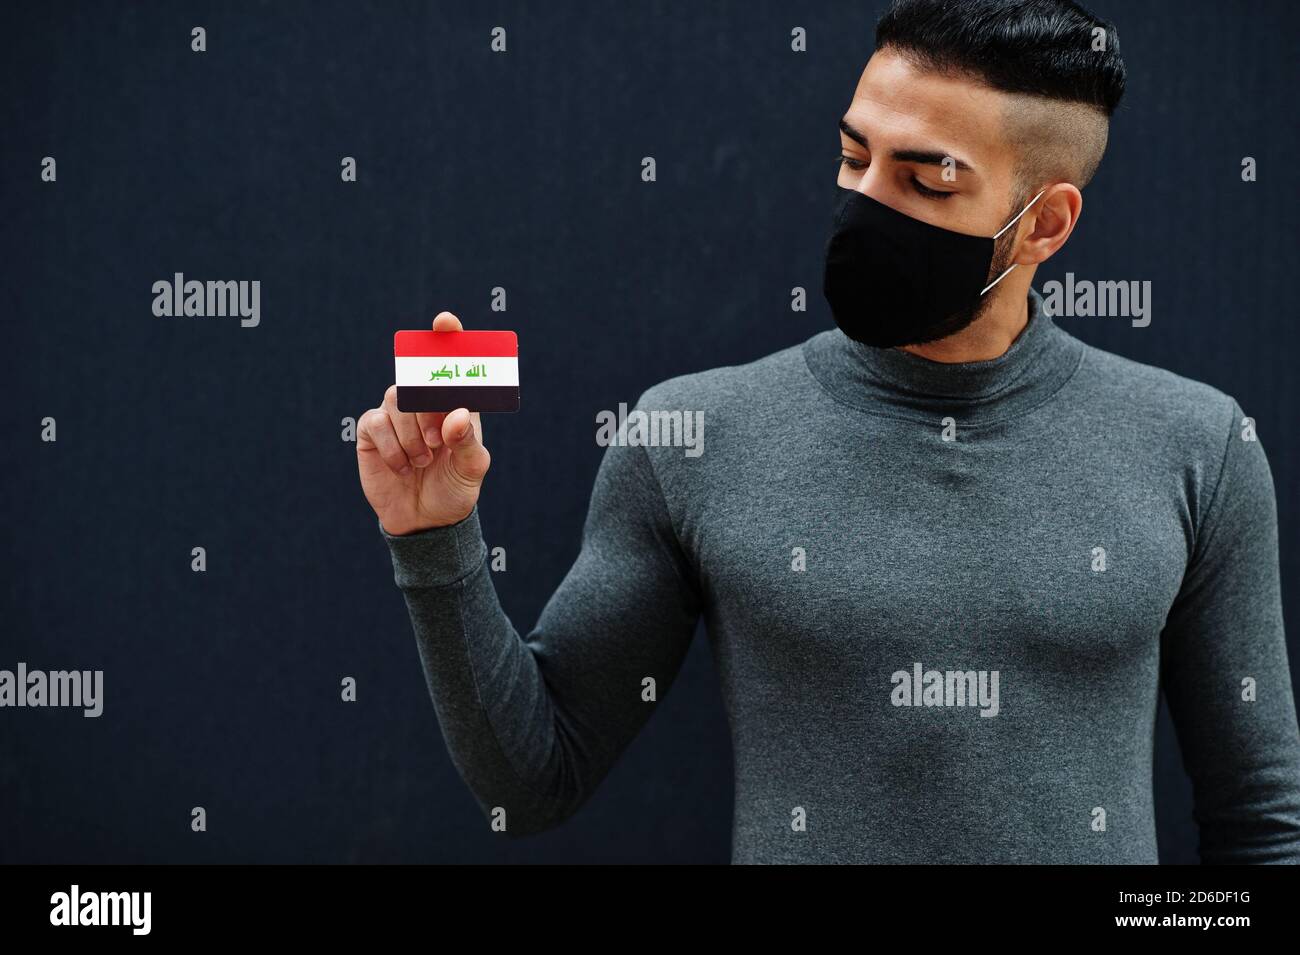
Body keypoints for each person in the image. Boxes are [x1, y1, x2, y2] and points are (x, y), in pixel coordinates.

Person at [356, 0, 1300, 863]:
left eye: (928, 178)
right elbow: (532, 779)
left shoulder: (1196, 446)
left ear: (1043, 224)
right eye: (856, 158)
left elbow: (1260, 816)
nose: (869, 203)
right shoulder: (693, 436)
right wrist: (433, 536)